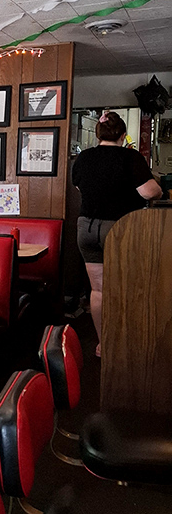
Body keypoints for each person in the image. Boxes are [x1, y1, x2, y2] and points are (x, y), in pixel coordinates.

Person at [72, 110, 162, 356]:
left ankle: (103, 343)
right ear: (123, 135)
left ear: (97, 134)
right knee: (125, 287)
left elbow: (80, 187)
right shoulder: (129, 157)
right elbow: (149, 192)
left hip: (86, 228)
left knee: (98, 289)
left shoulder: (84, 158)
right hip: (119, 229)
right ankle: (125, 342)